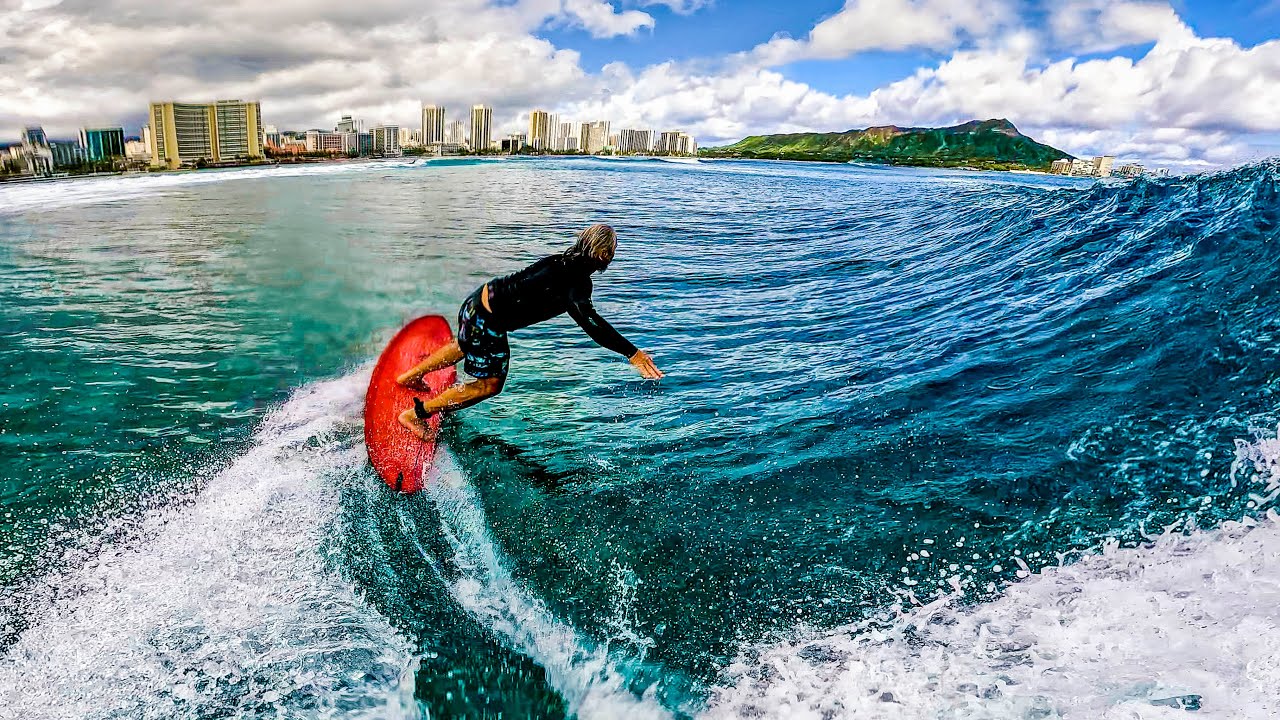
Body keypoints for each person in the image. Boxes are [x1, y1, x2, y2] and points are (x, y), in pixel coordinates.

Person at [395, 223, 663, 440]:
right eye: (611, 252)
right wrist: (632, 353)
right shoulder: (577, 281)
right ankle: (417, 414)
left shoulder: (560, 261)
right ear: (605, 255)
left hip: (477, 301)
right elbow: (591, 323)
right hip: (489, 322)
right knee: (489, 386)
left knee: (466, 344)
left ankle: (410, 376)